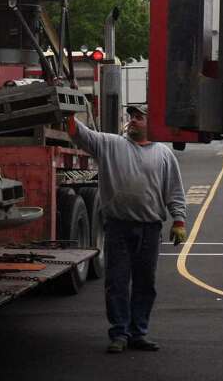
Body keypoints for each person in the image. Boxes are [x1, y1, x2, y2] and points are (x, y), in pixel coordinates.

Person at [67, 104, 187, 354]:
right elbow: (79, 133)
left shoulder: (164, 154)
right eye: (131, 117)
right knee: (117, 282)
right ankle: (119, 333)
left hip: (150, 228)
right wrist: (66, 111)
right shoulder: (111, 145)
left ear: (151, 123)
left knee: (146, 283)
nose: (132, 120)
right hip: (118, 227)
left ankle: (138, 333)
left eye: (139, 117)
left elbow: (174, 190)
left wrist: (179, 220)